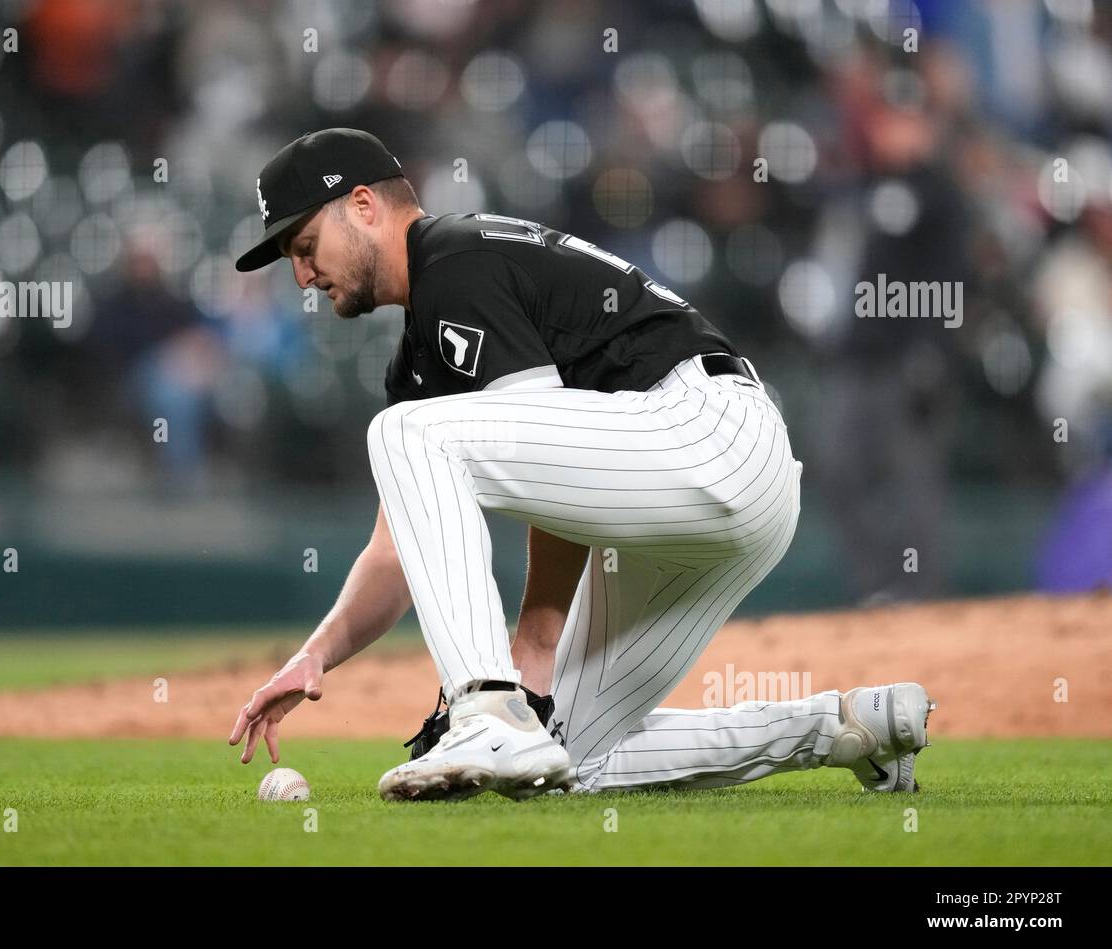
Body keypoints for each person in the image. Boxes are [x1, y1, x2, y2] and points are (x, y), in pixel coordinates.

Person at [228, 128, 934, 801]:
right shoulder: (420, 357)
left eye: (305, 243)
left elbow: (543, 473)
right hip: (716, 487)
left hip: (702, 425)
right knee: (574, 755)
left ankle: (487, 712)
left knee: (401, 435)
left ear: (363, 205)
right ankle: (851, 729)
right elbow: (394, 552)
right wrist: (316, 654)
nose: (301, 273)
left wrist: (531, 648)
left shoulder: (454, 258)